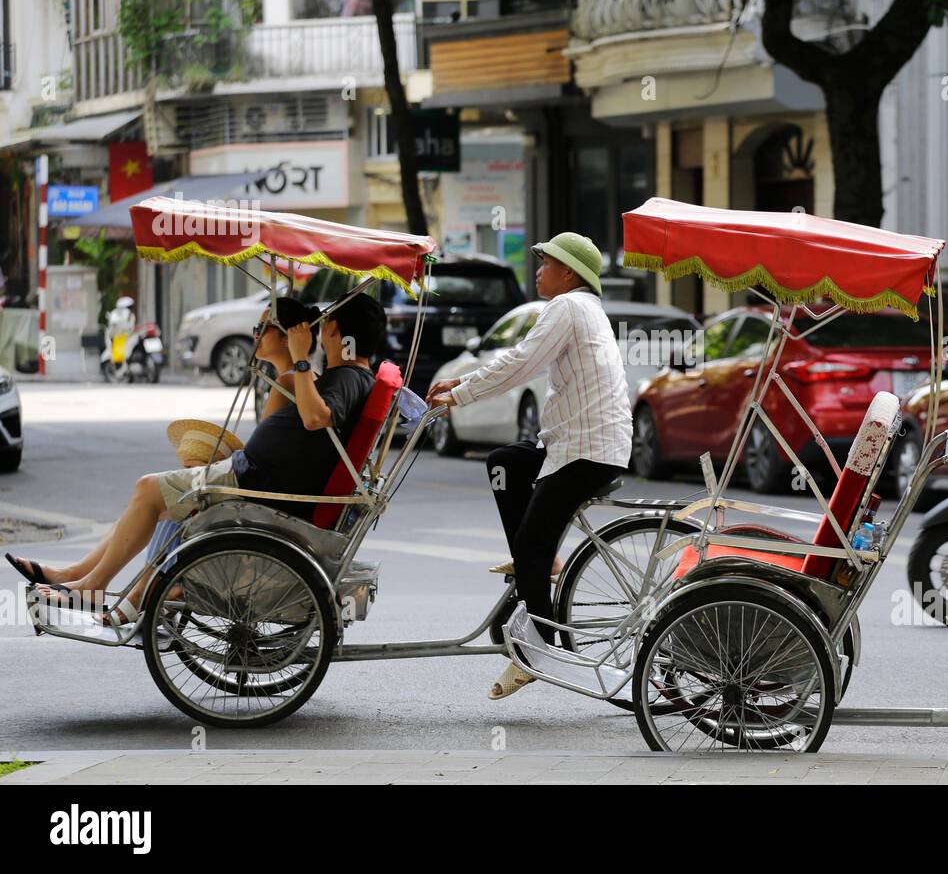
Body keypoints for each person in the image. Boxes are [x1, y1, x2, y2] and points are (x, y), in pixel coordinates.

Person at [6, 293, 385, 624]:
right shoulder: (342, 378)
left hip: (257, 484)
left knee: (149, 490)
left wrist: (300, 359)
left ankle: (92, 585)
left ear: (336, 332)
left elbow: (315, 417)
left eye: (327, 323)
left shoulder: (347, 378)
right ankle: (87, 579)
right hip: (253, 475)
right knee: (150, 497)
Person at [427, 232, 632, 701]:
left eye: (546, 263)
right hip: (578, 443)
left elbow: (521, 363)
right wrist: (461, 379)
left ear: (569, 273)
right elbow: (524, 361)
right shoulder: (581, 310)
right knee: (504, 462)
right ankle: (540, 561)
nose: (538, 270)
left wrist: (459, 395)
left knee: (530, 545)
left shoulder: (568, 308)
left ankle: (540, 652)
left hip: (587, 449)